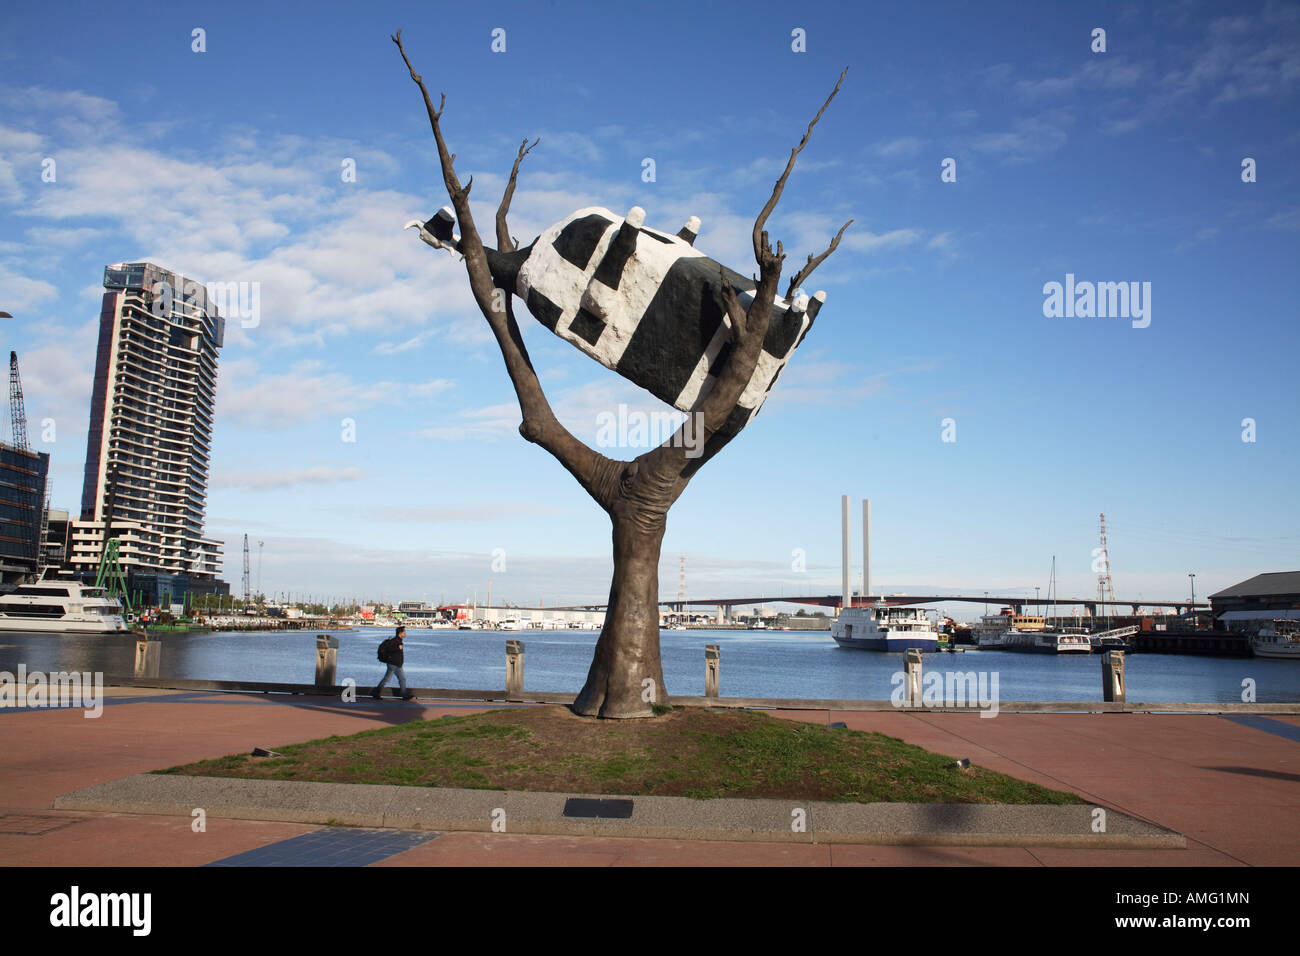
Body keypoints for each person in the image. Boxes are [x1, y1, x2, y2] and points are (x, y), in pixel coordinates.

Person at [372, 626, 415, 700]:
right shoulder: (395, 641)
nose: (405, 633)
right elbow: (389, 649)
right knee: (396, 679)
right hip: (393, 664)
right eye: (404, 632)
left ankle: (376, 692)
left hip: (396, 664)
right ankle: (404, 695)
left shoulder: (398, 641)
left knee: (398, 679)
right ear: (400, 633)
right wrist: (397, 648)